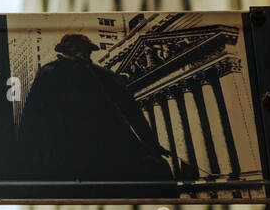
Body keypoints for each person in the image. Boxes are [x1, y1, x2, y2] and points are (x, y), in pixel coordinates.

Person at [17, 33, 174, 185]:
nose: (87, 54)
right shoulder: (49, 72)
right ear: (67, 50)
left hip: (106, 146)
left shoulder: (103, 74)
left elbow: (131, 111)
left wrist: (152, 144)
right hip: (67, 149)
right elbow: (33, 116)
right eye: (82, 49)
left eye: (88, 50)